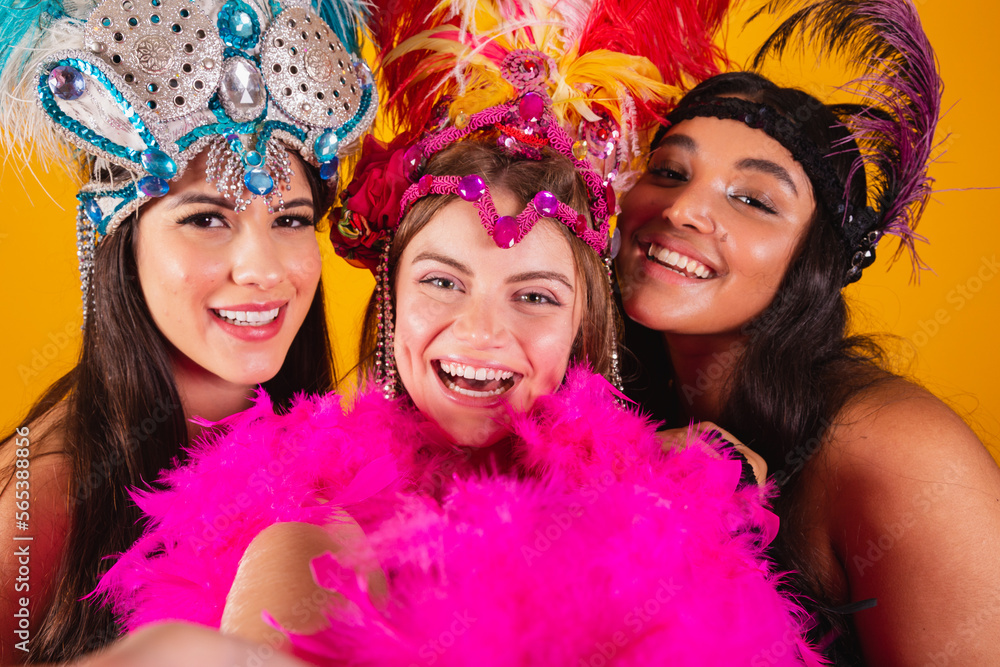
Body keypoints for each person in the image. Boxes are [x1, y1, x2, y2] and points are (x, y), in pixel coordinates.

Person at [97, 1, 823, 664]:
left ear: (585, 323)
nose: (480, 329)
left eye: (534, 295)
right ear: (389, 302)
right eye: (442, 282)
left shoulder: (674, 503)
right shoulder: (300, 530)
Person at [615, 0, 1000, 663]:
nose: (681, 209)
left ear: (812, 264)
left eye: (753, 201)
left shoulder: (897, 451)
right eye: (670, 172)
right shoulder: (610, 410)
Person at [0, 0, 377, 660]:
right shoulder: (42, 497)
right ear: (122, 237)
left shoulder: (341, 446)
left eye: (289, 220)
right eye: (207, 219)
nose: (262, 270)